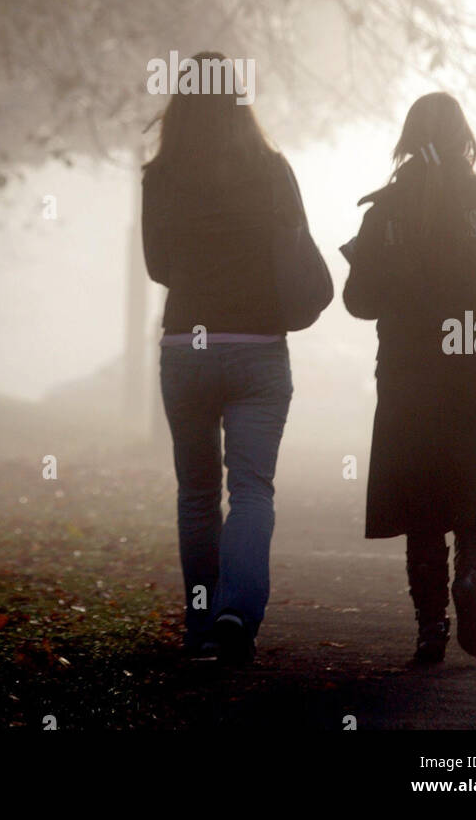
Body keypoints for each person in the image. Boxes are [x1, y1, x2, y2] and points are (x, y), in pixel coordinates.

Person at [342, 92, 476, 665]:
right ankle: (471, 574)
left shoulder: (385, 211)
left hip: (407, 380)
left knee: (422, 509)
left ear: (407, 141)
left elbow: (358, 301)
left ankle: (430, 629)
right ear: (465, 137)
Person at [141, 52, 312, 665]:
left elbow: (158, 266)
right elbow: (298, 252)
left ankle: (198, 626)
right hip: (259, 349)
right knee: (251, 491)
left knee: (195, 494)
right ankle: (235, 616)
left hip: (187, 346)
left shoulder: (161, 175)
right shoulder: (271, 170)